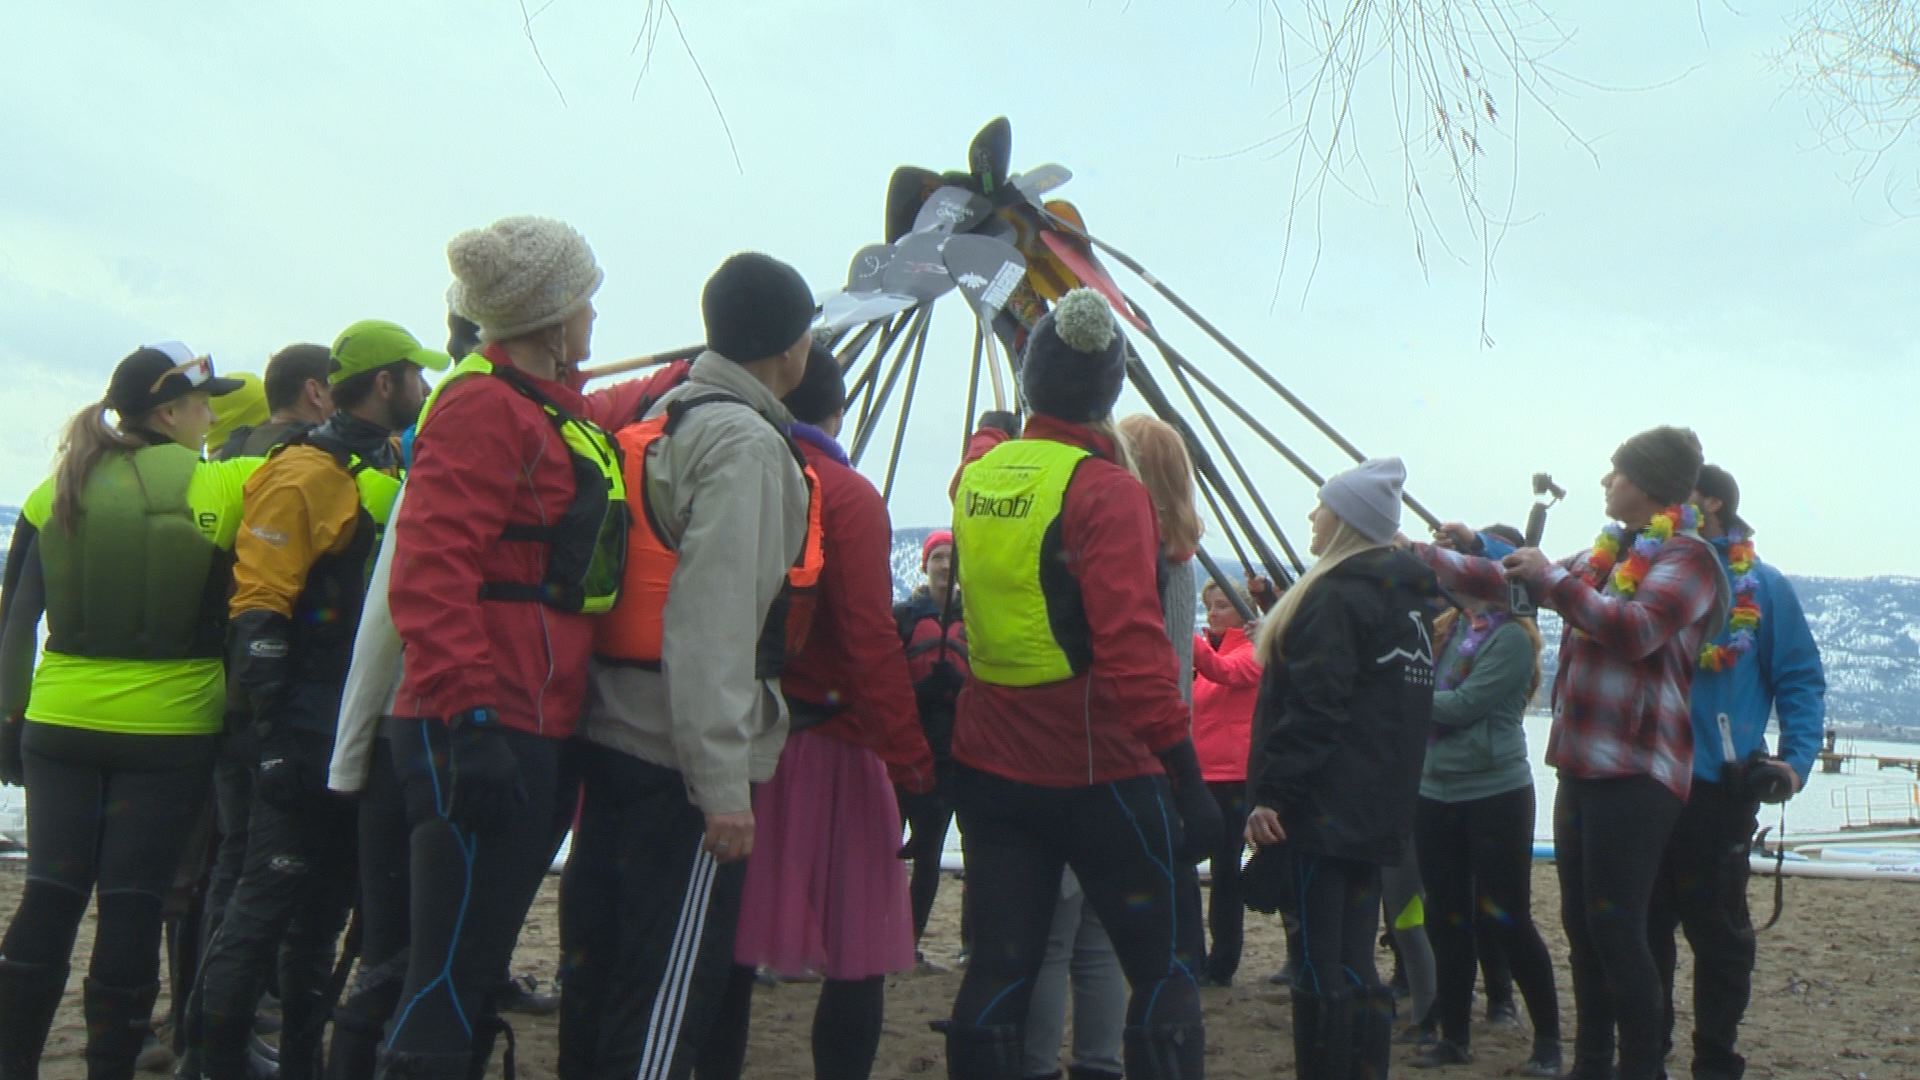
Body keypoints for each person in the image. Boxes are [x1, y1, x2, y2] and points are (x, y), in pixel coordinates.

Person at [375, 215, 651, 1078]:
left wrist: (678, 378)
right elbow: (429, 572)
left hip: (526, 718)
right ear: (551, 316)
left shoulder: (530, 403)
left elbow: (582, 421)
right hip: (478, 725)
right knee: (446, 981)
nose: (594, 319)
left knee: (469, 967)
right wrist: (473, 717)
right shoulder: (480, 407)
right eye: (586, 301)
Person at [941, 288, 1220, 1080]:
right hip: (1098, 770)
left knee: (999, 968)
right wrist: (1187, 775)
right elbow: (1133, 651)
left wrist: (991, 426)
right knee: (1163, 968)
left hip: (991, 769)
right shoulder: (1106, 493)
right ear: (1110, 392)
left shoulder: (980, 479)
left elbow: (974, 456)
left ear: (1034, 383)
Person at [559, 252, 816, 1080]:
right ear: (792, 346)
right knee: (666, 989)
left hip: (612, 728)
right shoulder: (744, 442)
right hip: (680, 759)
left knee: (598, 977)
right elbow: (715, 623)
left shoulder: (665, 414)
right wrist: (723, 786)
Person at [1411, 425, 1729, 1080]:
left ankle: (1642, 1067)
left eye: (1616, 473)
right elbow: (1509, 584)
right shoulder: (1604, 555)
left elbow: (1634, 629)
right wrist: (1419, 555)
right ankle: (1590, 1064)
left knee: (1620, 930)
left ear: (1648, 483)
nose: (1606, 483)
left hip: (1639, 773)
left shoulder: (1690, 559)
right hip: (1580, 765)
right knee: (1582, 928)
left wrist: (1552, 577)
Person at [193, 321, 444, 1080]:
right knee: (265, 896)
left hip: (356, 724)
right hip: (298, 726)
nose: (426, 389)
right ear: (384, 383)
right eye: (416, 376)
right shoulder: (301, 472)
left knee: (327, 906)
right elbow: (258, 613)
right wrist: (270, 737)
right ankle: (214, 1062)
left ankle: (302, 1058)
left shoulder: (391, 463)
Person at [0, 344, 253, 1079]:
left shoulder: (59, 488)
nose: (212, 417)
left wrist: (8, 725)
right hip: (171, 736)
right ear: (169, 411)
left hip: (59, 728)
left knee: (50, 894)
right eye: (204, 403)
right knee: (133, 904)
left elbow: (16, 625)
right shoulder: (224, 485)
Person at [697, 342, 936, 1080]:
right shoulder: (847, 491)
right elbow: (870, 642)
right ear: (838, 411)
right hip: (833, 747)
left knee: (724, 952)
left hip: (734, 746)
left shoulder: (729, 465)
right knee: (856, 954)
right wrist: (910, 759)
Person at [1021, 411, 1205, 1080]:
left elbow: (1126, 658)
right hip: (1147, 766)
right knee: (1102, 934)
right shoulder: (1180, 565)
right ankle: (1098, 1062)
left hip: (1096, 755)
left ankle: (1040, 1064)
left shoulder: (1133, 558)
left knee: (1054, 933)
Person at [1244, 457, 1439, 1079]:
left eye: (1322, 505)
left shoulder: (1334, 597)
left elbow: (1314, 708)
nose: (1312, 515)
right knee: (1355, 960)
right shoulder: (1408, 604)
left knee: (1318, 963)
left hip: (1321, 812)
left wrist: (1273, 793)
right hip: (1377, 810)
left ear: (1348, 521)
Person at [1650, 464, 1825, 1080]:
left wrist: (1795, 763)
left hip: (1715, 788)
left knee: (1719, 936)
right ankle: (1650, 1050)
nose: (1666, 509)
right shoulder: (1644, 571)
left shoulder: (1764, 587)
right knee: (1642, 928)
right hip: (1639, 783)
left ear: (1713, 505)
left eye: (1680, 497)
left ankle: (1715, 1058)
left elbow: (1801, 679)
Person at [1408, 555, 1562, 1075]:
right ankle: (1454, 1036)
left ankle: (1548, 1040)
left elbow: (1462, 705)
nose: (1444, 588)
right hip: (1435, 789)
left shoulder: (1512, 640)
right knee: (1444, 915)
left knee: (1506, 916)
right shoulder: (1448, 629)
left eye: (1451, 580)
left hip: (1495, 791)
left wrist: (1401, 696)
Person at [894, 529, 969, 965]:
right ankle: (881, 936)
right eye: (937, 557)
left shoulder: (974, 619)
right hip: (907, 747)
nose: (944, 565)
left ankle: (912, 942)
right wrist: (921, 691)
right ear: (925, 565)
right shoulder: (905, 617)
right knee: (887, 845)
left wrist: (958, 688)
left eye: (951, 557)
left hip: (952, 754)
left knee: (929, 851)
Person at [1190, 579, 1260, 987]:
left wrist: (1181, 632)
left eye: (1222, 606)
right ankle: (1195, 954)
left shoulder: (1253, 650)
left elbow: (1229, 673)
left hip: (1235, 776)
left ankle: (1223, 961)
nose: (1214, 613)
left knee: (1227, 873)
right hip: (1200, 772)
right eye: (1209, 606)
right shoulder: (1206, 651)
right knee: (1187, 864)